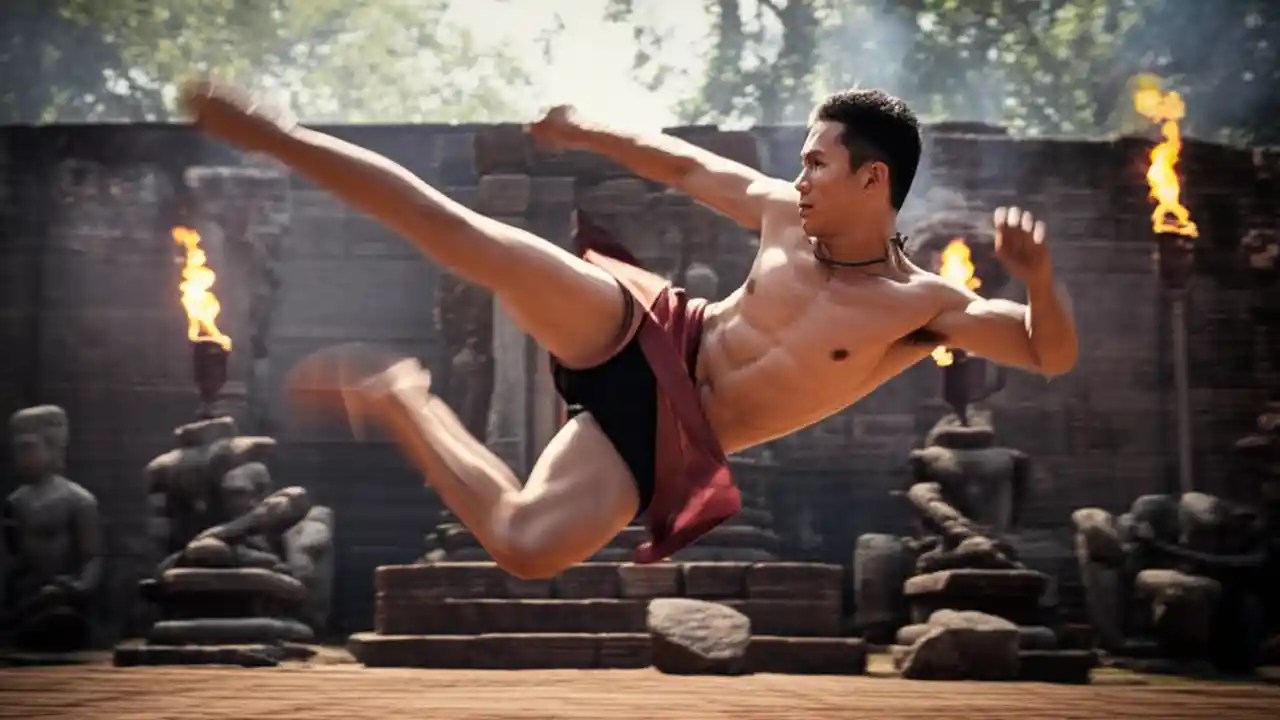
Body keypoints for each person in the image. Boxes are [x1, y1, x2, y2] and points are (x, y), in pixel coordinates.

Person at [180, 81, 1078, 579]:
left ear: (872, 180)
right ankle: (279, 131)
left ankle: (401, 399)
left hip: (667, 436)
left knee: (527, 546)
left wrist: (1038, 279)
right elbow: (680, 164)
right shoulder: (776, 214)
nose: (798, 176)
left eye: (817, 163)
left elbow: (1046, 351)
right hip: (649, 332)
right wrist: (583, 129)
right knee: (468, 238)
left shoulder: (923, 310)